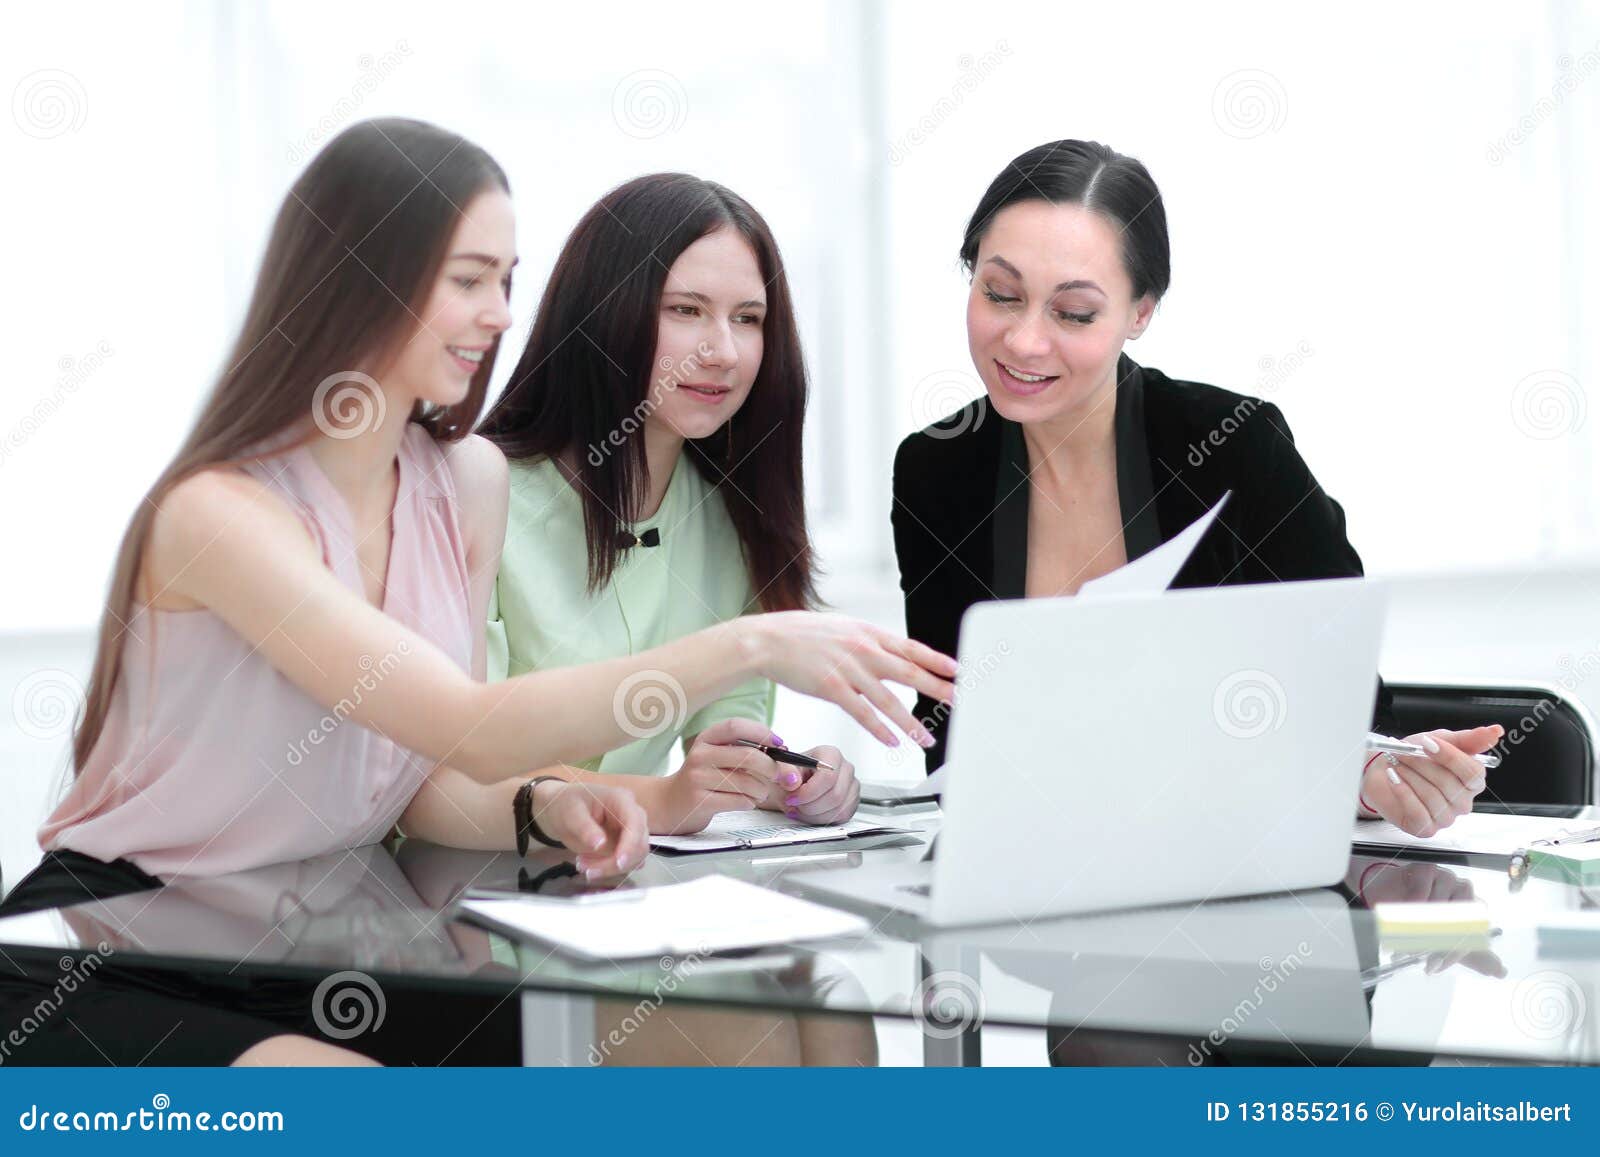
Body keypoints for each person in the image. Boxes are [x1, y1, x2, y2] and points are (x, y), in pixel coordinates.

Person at [0, 119, 954, 1066]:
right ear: (357, 282)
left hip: (338, 936)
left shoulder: (463, 484)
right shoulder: (220, 515)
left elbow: (432, 785)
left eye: (506, 279)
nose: (502, 312)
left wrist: (546, 808)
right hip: (124, 939)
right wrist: (753, 643)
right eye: (468, 280)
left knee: (733, 1030)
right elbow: (464, 723)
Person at [891, 139, 1497, 839]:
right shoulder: (936, 470)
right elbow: (952, 743)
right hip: (1029, 875)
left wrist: (1376, 779)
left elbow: (1347, 704)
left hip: (1226, 873)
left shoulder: (1234, 445)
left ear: (1140, 313)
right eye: (1000, 294)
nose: (1025, 342)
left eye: (1075, 313)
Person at [477, 174, 861, 834]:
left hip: (629, 900)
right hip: (464, 894)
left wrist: (785, 776)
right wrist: (667, 799)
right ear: (603, 313)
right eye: (687, 310)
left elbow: (726, 732)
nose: (724, 351)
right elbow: (462, 760)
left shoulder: (728, 510)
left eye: (748, 318)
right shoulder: (482, 494)